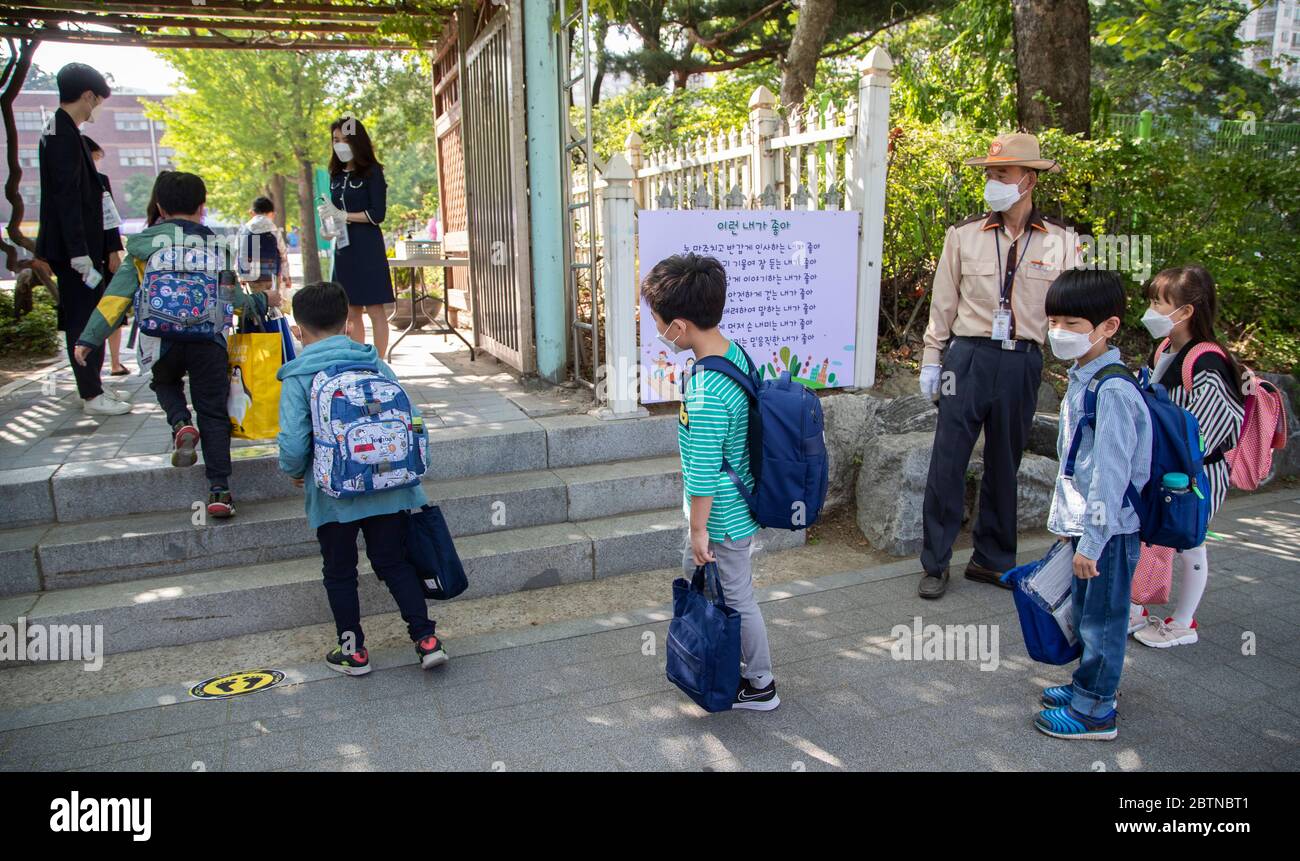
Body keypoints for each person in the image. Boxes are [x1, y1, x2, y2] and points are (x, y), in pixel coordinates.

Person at [916, 133, 1077, 599]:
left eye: (1001, 173)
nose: (992, 181)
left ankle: (992, 560)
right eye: (989, 173)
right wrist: (932, 359)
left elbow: (1069, 309)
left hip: (1022, 362)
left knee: (1005, 463)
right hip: (966, 358)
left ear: (1027, 180)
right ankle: (936, 562)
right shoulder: (962, 236)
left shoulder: (1062, 243)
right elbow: (942, 306)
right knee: (947, 461)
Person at [73, 171, 266, 519]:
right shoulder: (216, 246)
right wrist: (263, 303)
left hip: (160, 341)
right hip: (208, 341)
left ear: (160, 207)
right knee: (213, 411)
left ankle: (180, 423)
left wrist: (89, 338)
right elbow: (234, 299)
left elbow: (116, 298)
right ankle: (220, 490)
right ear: (202, 207)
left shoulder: (143, 246)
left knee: (164, 381)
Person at [275, 281, 445, 676]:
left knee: (339, 572)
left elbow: (293, 442)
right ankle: (426, 639)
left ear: (298, 330)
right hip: (390, 489)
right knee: (394, 562)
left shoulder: (299, 377)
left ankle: (353, 651)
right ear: (348, 324)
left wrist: (295, 471)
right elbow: (412, 421)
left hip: (333, 494)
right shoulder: (376, 365)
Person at [641, 253, 779, 711]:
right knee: (721, 591)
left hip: (721, 518)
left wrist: (699, 530)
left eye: (659, 322)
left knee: (738, 599)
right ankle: (721, 657)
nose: (658, 330)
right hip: (734, 507)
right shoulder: (731, 353)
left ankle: (760, 684)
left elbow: (703, 474)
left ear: (678, 326)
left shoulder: (705, 392)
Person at [1036, 269, 1151, 741]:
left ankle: (1096, 711)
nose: (1058, 331)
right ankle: (1088, 685)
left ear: (1108, 327)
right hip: (1089, 525)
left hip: (1109, 529)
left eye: (1073, 322)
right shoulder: (1086, 376)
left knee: (1104, 620)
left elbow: (1110, 475)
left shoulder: (1114, 390)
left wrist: (1094, 542)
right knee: (1087, 613)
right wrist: (1071, 526)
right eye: (1054, 319)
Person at [1131, 266, 1245, 648]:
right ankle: (1138, 605)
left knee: (1190, 540)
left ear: (1186, 311)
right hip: (1166, 466)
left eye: (1158, 302)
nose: (1150, 310)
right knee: (1155, 532)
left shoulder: (1209, 362)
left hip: (1197, 473)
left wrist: (1173, 458)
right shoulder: (1166, 348)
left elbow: (1209, 430)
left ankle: (1183, 622)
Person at [36, 63, 127, 416]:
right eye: (96, 102)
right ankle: (91, 394)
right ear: (87, 95)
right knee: (84, 318)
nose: (95, 110)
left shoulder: (62, 130)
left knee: (89, 314)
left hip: (82, 247)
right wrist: (78, 253)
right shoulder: (60, 133)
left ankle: (95, 387)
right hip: (75, 250)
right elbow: (67, 197)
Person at [319, 117, 393, 358]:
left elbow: (377, 214)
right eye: (335, 140)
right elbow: (334, 215)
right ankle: (358, 361)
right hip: (342, 247)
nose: (339, 144)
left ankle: (380, 363)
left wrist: (344, 214)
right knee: (351, 311)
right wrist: (327, 225)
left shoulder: (372, 173)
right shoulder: (336, 176)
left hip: (367, 246)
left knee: (375, 309)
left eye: (345, 140)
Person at [83, 136, 129, 377]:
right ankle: (90, 368)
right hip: (79, 257)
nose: (95, 163)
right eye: (94, 157)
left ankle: (114, 362)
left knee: (112, 307)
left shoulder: (101, 182)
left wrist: (113, 250)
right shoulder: (64, 182)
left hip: (102, 254)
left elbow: (110, 219)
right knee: (87, 311)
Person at [236, 196, 292, 302]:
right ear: (271, 213)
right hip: (272, 277)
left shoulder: (245, 229)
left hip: (251, 278)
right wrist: (286, 276)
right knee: (273, 307)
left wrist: (240, 276)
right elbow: (283, 254)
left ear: (253, 212)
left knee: (256, 305)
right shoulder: (273, 229)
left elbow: (239, 254)